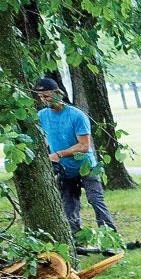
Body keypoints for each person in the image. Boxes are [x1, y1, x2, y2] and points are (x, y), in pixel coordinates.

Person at [33, 78, 118, 237]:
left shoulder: (76, 115)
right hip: (65, 170)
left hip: (87, 167)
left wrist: (58, 154)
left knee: (96, 201)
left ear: (58, 93)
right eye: (41, 97)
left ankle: (111, 239)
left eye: (47, 96)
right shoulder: (42, 115)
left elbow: (84, 146)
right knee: (69, 205)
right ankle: (77, 240)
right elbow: (45, 138)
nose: (44, 100)